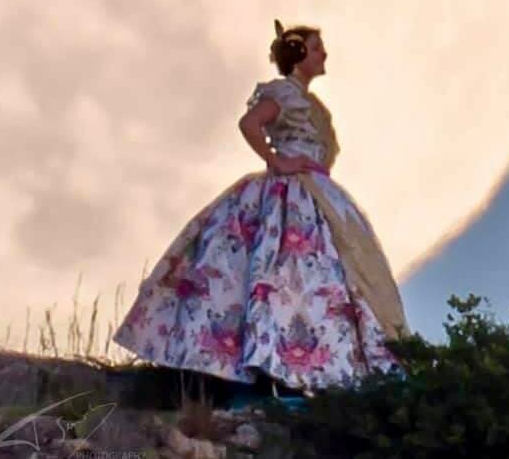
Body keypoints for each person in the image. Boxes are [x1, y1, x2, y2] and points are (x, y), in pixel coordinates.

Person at [111, 20, 407, 396]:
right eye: (317, 48)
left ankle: (315, 373)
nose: (324, 54)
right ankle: (262, 371)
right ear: (299, 56)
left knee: (322, 282)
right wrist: (276, 160)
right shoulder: (282, 92)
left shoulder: (310, 103)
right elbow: (250, 123)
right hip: (290, 197)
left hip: (318, 196)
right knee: (279, 274)